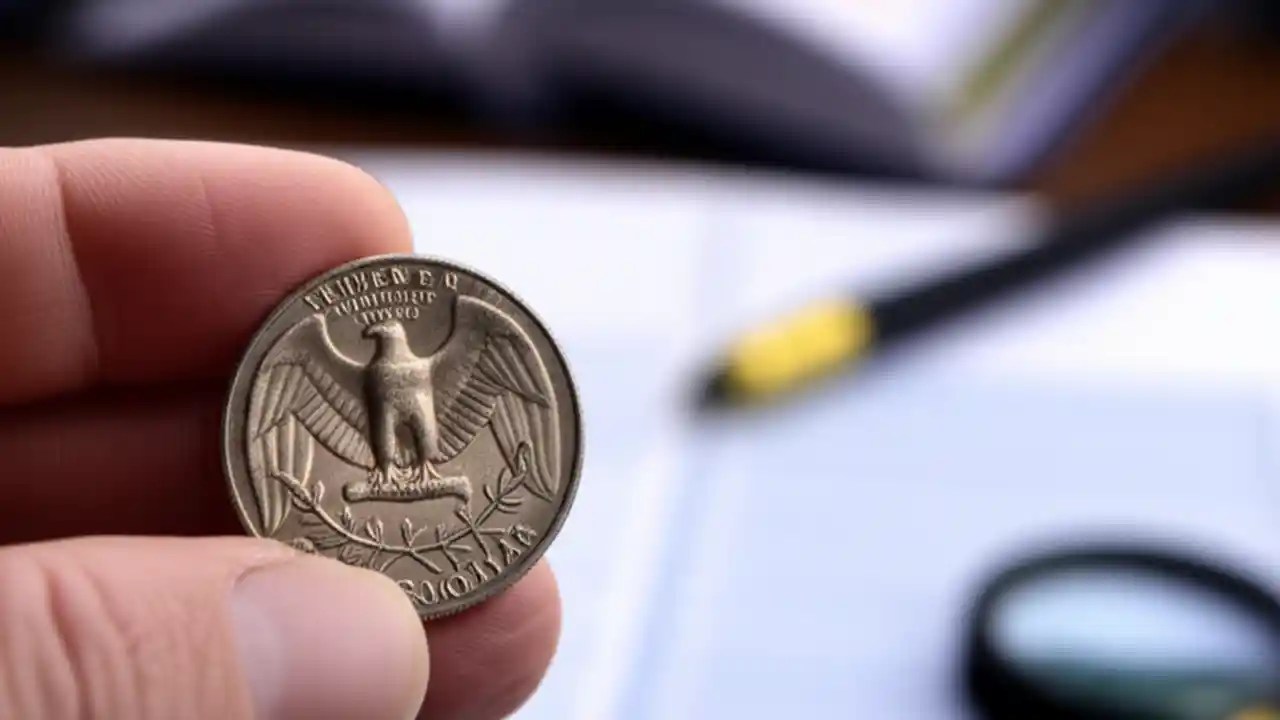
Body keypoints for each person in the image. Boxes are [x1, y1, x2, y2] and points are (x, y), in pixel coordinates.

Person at [0, 139, 561, 719]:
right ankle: (394, 471)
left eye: (383, 335)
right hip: (369, 481)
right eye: (376, 336)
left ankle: (415, 470)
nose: (376, 338)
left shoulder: (455, 353)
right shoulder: (324, 360)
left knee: (420, 436)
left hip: (429, 459)